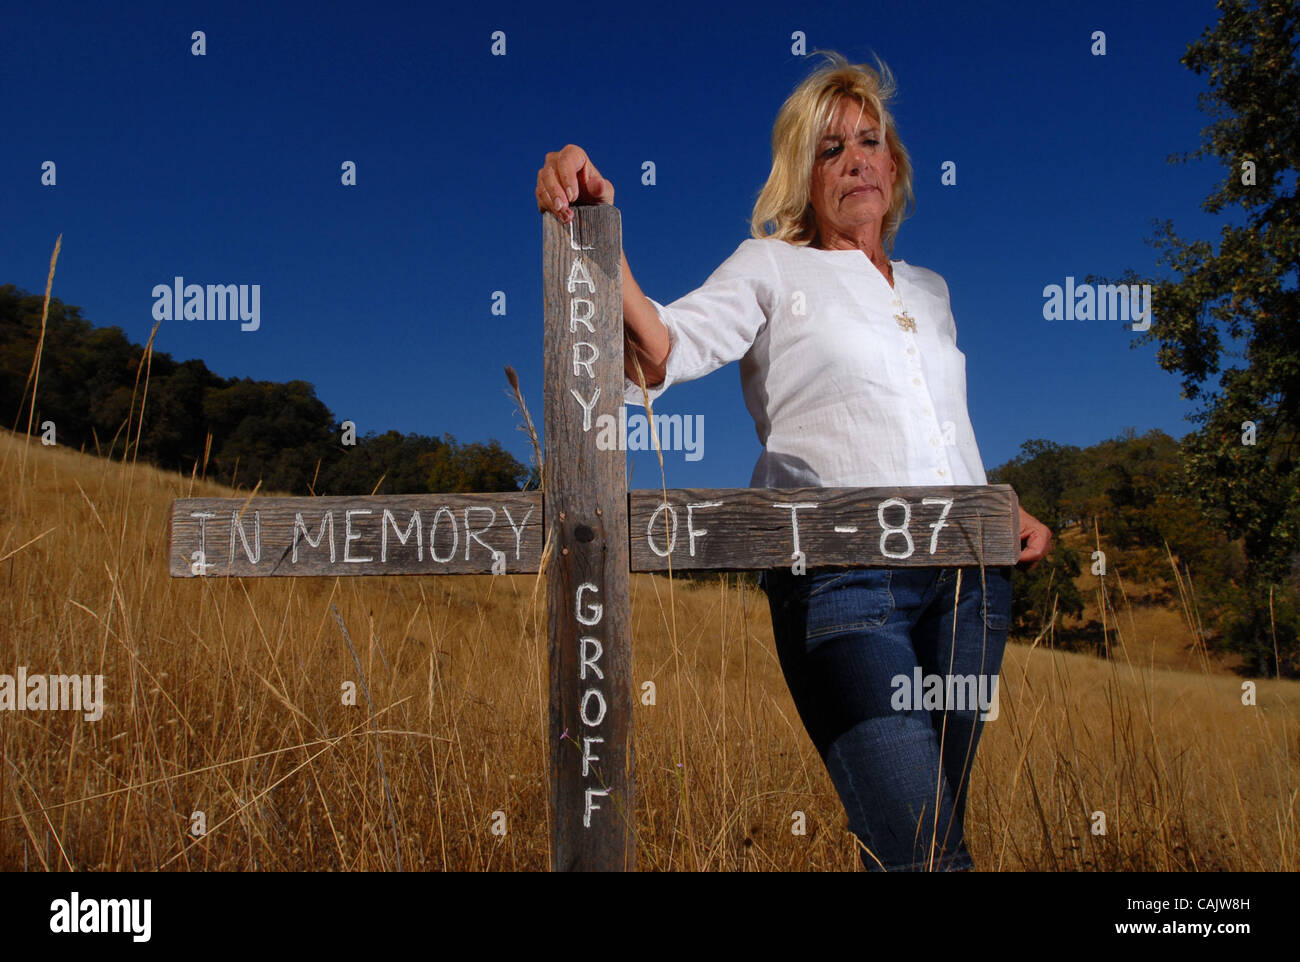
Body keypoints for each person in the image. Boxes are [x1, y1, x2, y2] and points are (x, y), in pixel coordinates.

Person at [535, 50, 1053, 872]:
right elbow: (660, 348)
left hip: (970, 587)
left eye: (871, 141)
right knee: (928, 855)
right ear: (802, 174)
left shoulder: (930, 289)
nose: (856, 160)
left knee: (912, 844)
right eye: (830, 148)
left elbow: (936, 420)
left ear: (896, 164)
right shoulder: (771, 264)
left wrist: (998, 505)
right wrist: (594, 227)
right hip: (846, 581)